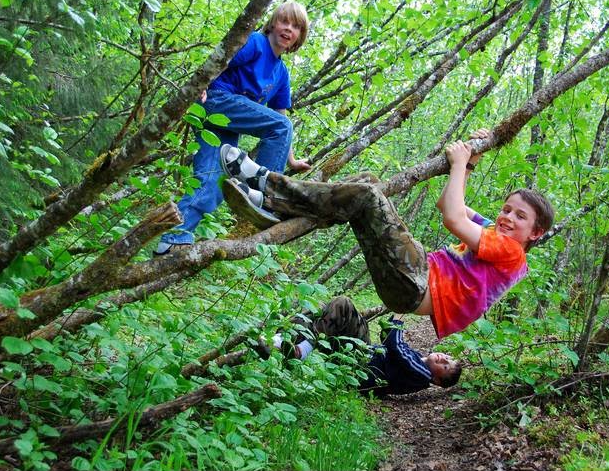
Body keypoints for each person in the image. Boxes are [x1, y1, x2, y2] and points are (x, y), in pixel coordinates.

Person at [219, 129, 554, 339]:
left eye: (519, 216)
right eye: (506, 209)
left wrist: (458, 164)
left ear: (535, 233)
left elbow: (453, 217)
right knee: (364, 185)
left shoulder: (511, 252)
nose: (507, 217)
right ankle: (272, 206)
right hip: (412, 280)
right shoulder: (493, 235)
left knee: (366, 195)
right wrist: (468, 164)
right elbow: (448, 203)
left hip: (419, 282)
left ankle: (266, 183)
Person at [155, 2, 312, 255]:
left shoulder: (281, 73)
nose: (288, 29)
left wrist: (292, 161)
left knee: (213, 182)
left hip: (225, 122)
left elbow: (280, 116)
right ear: (273, 23)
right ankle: (268, 195)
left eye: (296, 27)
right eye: (285, 22)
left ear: (299, 37)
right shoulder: (256, 43)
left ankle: (173, 238)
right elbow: (222, 59)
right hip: (215, 100)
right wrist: (200, 83)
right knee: (281, 127)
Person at [256, 296, 462, 396]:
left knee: (342, 306)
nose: (443, 358)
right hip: (358, 360)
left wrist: (401, 314)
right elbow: (389, 342)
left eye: (445, 366)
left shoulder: (421, 374)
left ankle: (299, 349)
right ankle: (283, 342)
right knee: (322, 311)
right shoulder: (417, 363)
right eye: (448, 357)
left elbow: (394, 346)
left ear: (436, 380)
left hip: (360, 364)